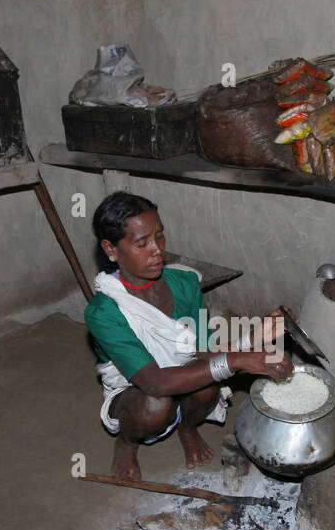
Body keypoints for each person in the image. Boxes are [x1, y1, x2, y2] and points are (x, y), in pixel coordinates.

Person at [84, 192, 292, 480]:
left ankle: (188, 427)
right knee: (156, 406)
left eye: (160, 237)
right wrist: (236, 360)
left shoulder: (184, 283)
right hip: (138, 390)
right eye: (142, 243)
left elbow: (201, 350)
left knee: (208, 383)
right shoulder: (104, 311)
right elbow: (154, 383)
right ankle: (127, 443)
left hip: (176, 372)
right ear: (111, 249)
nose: (157, 250)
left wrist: (252, 339)